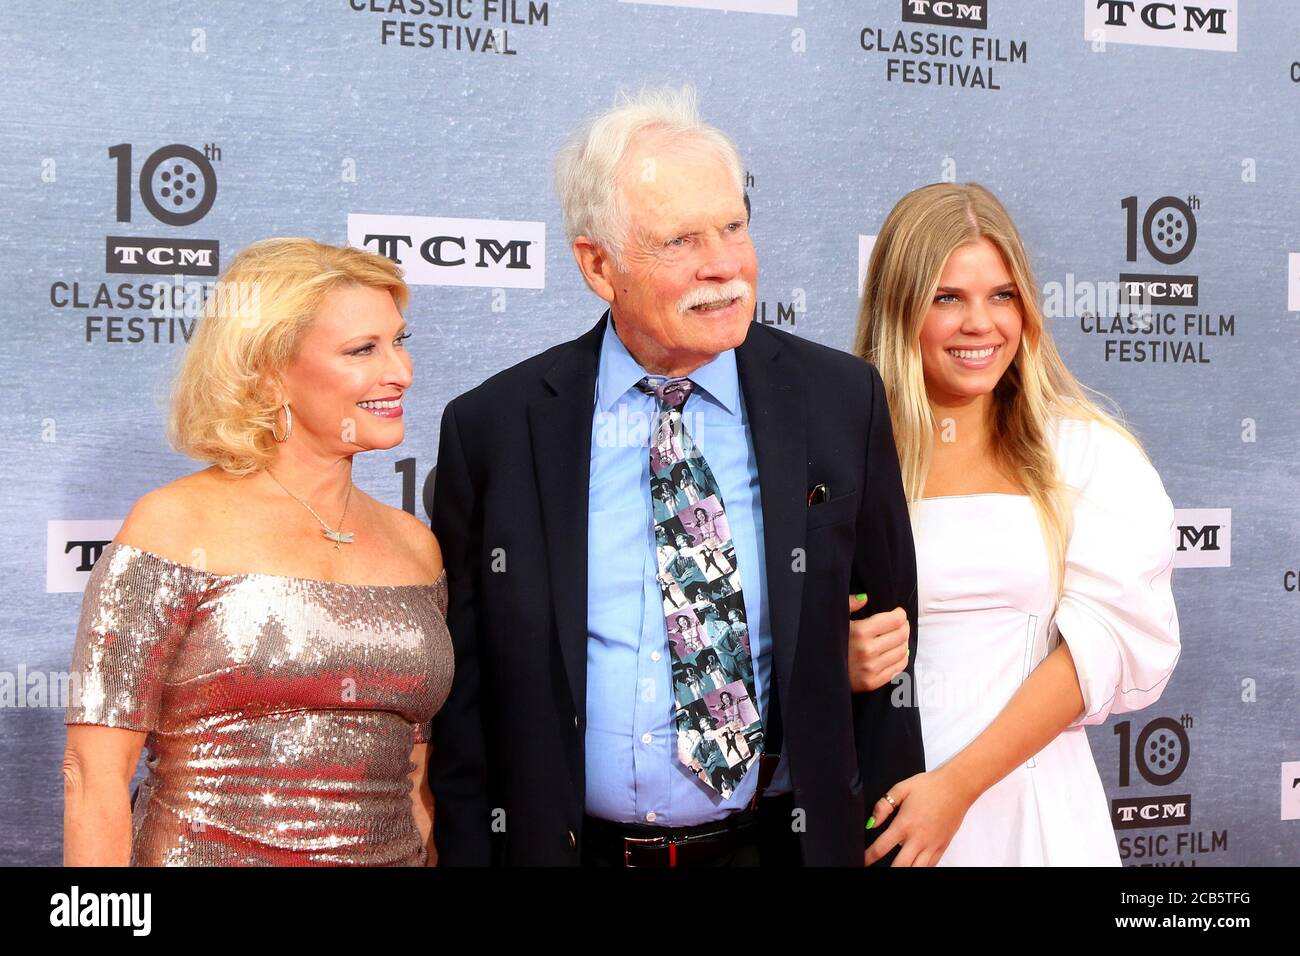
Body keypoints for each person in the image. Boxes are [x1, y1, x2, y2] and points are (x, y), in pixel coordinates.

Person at [429, 85, 922, 867]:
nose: (723, 266)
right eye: (680, 241)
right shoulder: (496, 428)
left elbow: (890, 638)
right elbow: (465, 712)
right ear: (599, 265)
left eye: (733, 227)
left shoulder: (839, 401)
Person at [61, 239, 452, 866]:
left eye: (399, 341)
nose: (400, 372)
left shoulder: (416, 546)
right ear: (269, 372)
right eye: (362, 350)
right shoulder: (173, 525)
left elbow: (416, 775)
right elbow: (94, 776)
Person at [848, 183, 1180, 866]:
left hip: (1034, 815)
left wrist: (956, 790)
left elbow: (1103, 646)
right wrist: (833, 661)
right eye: (948, 298)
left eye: (1001, 295)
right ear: (898, 306)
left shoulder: (1084, 454)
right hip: (879, 810)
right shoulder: (842, 454)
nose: (981, 323)